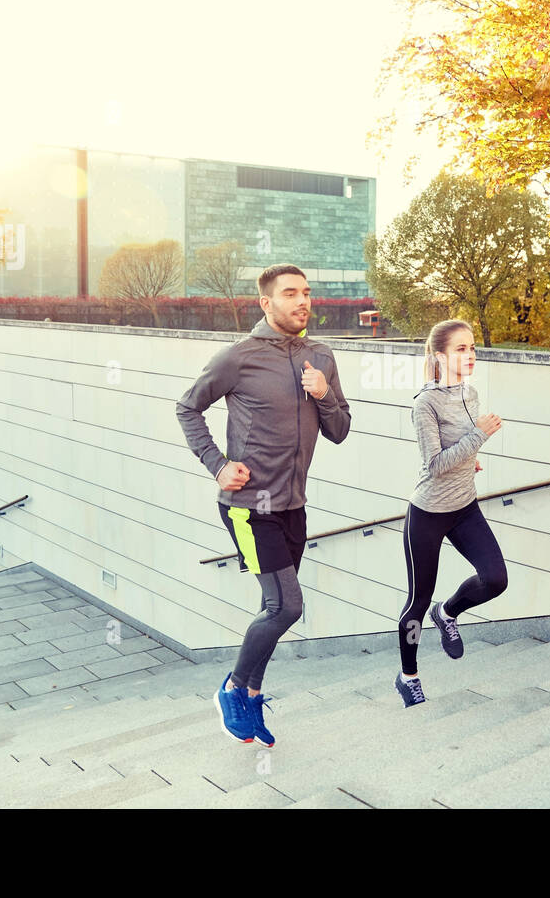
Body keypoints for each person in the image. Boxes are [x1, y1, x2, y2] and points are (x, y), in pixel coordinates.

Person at [175, 264, 351, 745]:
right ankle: (231, 689)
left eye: (306, 293)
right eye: (289, 293)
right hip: (248, 505)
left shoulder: (321, 357)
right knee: (286, 606)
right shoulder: (238, 357)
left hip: (294, 504)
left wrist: (324, 395)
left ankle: (252, 692)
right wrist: (216, 464)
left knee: (273, 609)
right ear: (265, 303)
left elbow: (339, 430)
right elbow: (188, 406)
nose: (302, 301)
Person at [394, 319, 508, 708]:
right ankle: (408, 676)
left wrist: (471, 458)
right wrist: (479, 437)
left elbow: (458, 452)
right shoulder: (424, 403)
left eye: (472, 347)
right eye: (461, 348)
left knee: (495, 579)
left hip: (465, 508)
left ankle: (450, 611)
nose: (471, 354)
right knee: (416, 603)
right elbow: (435, 463)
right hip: (428, 513)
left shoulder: (470, 394)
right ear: (440, 356)